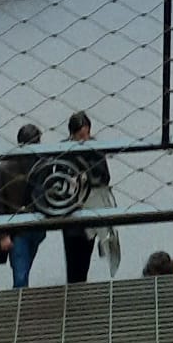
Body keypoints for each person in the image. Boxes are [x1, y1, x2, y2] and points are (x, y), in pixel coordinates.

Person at [0, 123, 47, 288]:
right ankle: (21, 307)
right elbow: (0, 202)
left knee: (23, 269)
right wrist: (3, 235)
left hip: (34, 227)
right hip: (19, 230)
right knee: (20, 277)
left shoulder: (41, 164)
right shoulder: (8, 168)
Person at [62, 110, 111, 284]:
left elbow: (105, 177)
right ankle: (74, 284)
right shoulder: (63, 151)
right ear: (72, 134)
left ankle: (80, 283)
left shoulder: (95, 150)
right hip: (71, 214)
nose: (85, 139)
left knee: (84, 258)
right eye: (81, 135)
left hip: (89, 210)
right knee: (72, 257)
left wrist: (86, 179)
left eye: (87, 134)